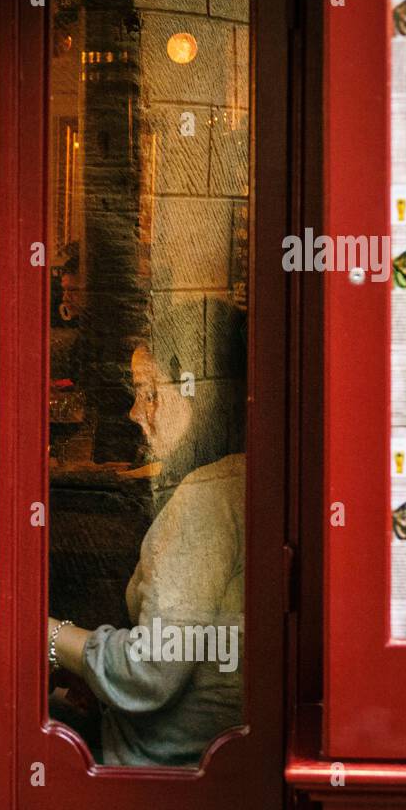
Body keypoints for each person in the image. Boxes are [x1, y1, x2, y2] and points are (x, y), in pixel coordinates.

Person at [46, 302, 247, 767]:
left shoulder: (207, 499)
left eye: (150, 392)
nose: (136, 412)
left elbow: (149, 671)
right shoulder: (244, 480)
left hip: (158, 768)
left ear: (201, 395)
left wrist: (49, 638)